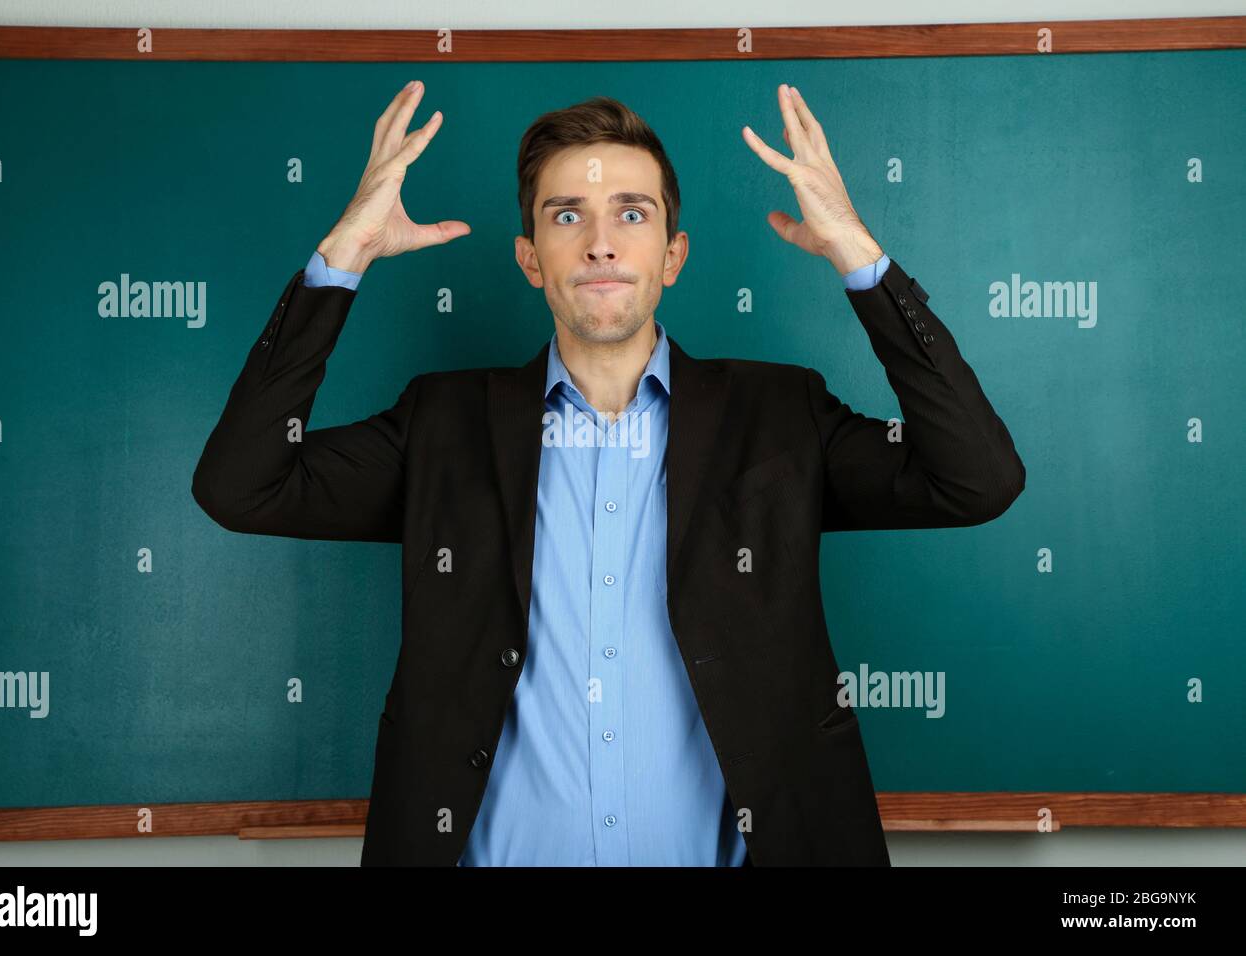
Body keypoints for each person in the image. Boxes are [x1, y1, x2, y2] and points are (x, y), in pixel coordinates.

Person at [191, 80, 1025, 866]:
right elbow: (240, 484)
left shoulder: (779, 417)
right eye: (566, 216)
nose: (599, 242)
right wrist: (344, 257)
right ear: (529, 257)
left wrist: (858, 255)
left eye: (632, 213)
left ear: (673, 254)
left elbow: (977, 478)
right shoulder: (442, 423)